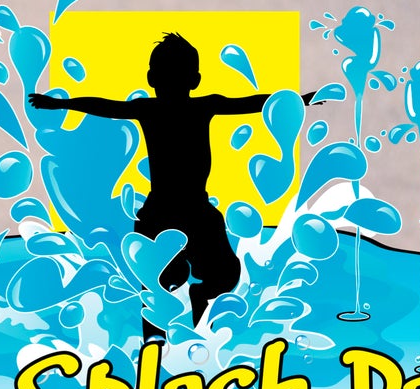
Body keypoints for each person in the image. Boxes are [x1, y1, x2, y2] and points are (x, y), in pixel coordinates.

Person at [28, 32, 267, 324]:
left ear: (152, 78)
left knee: (218, 276)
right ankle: (170, 324)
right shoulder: (169, 108)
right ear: (195, 79)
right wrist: (61, 104)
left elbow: (252, 103)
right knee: (165, 282)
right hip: (166, 212)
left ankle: (191, 304)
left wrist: (60, 104)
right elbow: (104, 106)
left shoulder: (190, 107)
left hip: (189, 211)